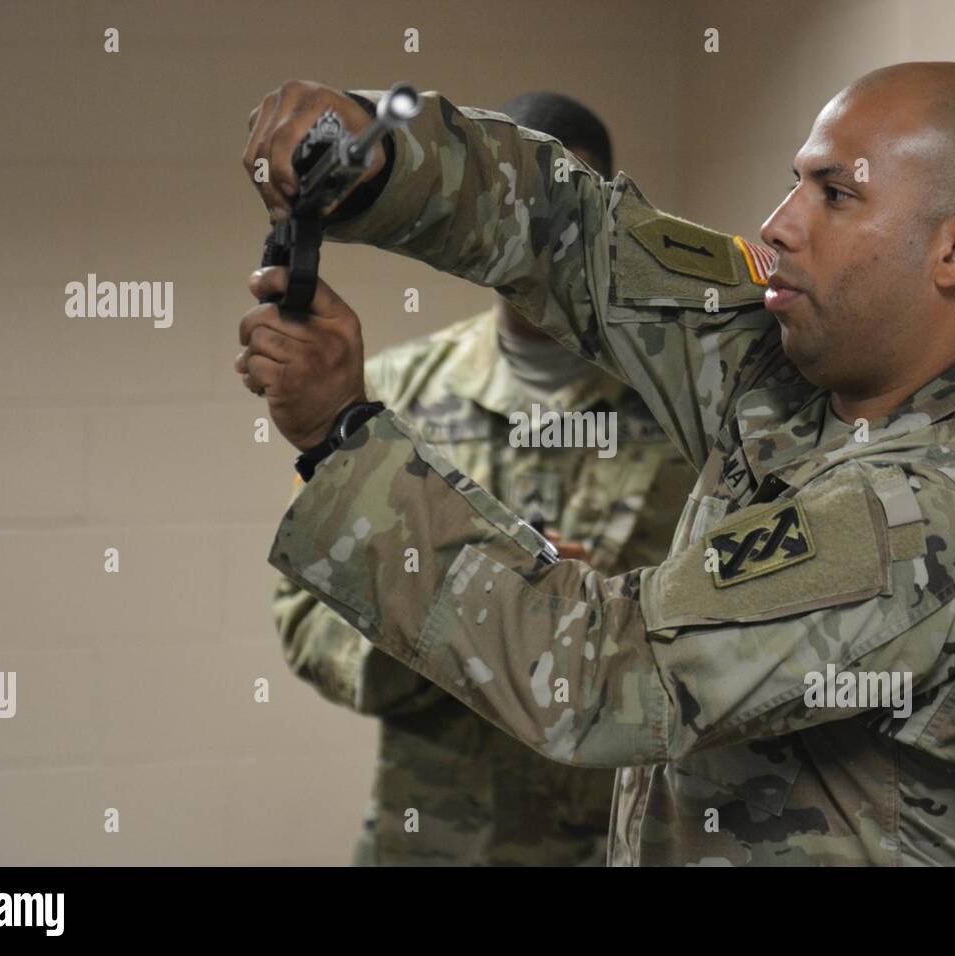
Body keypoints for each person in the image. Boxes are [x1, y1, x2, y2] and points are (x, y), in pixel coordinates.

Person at [237, 62, 955, 866]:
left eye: (836, 194)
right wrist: (385, 159)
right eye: (797, 181)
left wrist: (342, 437)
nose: (779, 223)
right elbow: (588, 246)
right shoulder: (803, 377)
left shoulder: (937, 518)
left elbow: (600, 675)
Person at [269, 93, 697, 866]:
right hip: (436, 838)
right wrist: (452, 619)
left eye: (566, 201)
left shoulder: (686, 410)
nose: (541, 233)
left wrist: (597, 615)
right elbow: (306, 623)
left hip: (614, 842)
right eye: (517, 201)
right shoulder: (386, 398)